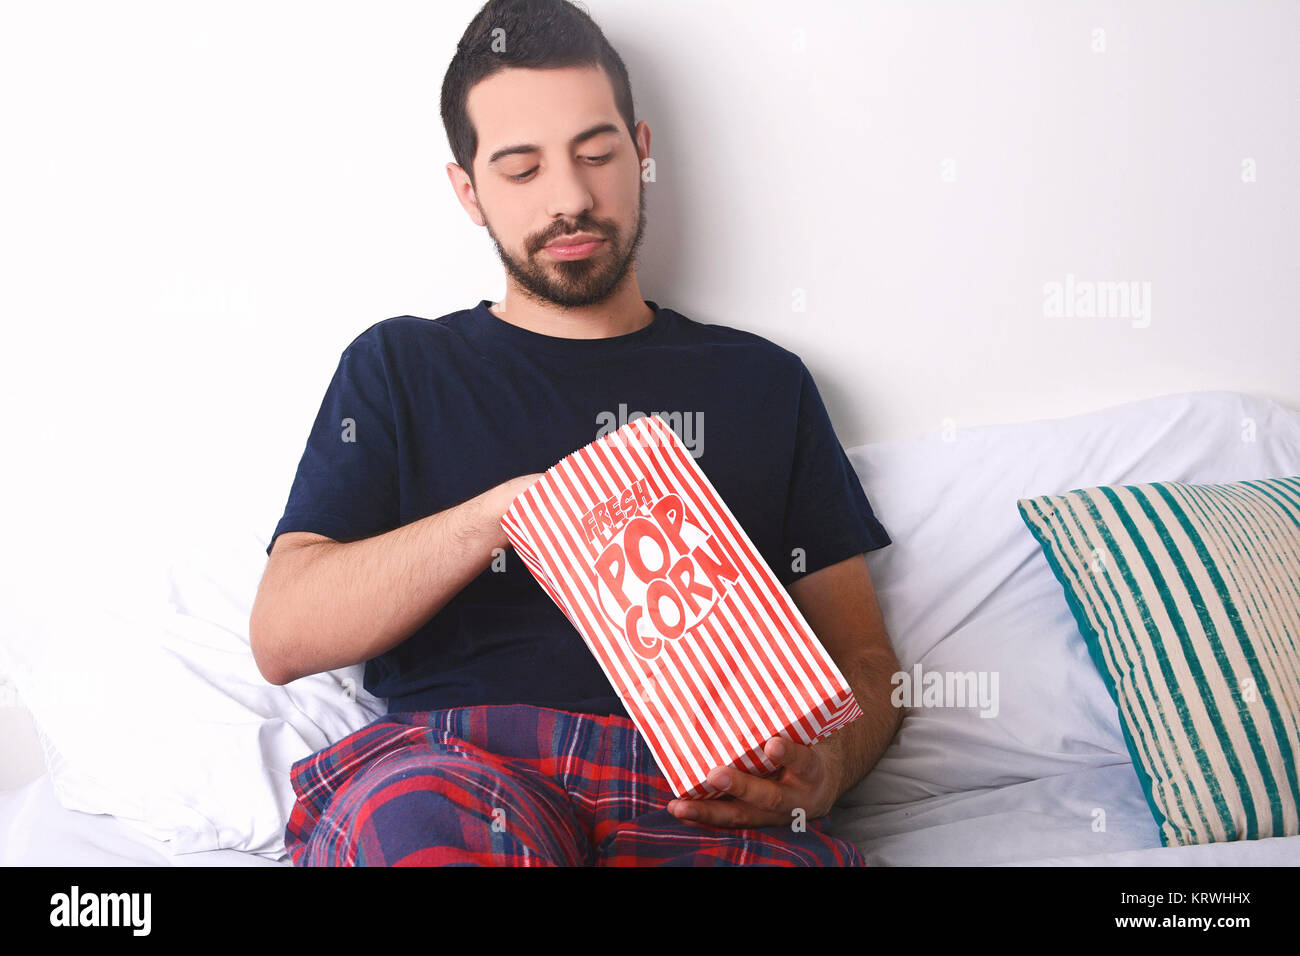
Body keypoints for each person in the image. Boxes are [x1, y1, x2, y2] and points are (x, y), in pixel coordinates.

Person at [250, 0, 902, 867]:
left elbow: (865, 656)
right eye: (521, 170)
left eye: (597, 155)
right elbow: (283, 634)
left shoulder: (763, 383)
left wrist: (826, 768)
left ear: (640, 152)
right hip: (460, 769)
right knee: (413, 823)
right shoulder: (401, 365)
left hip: (697, 796)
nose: (571, 198)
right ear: (469, 192)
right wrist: (503, 515)